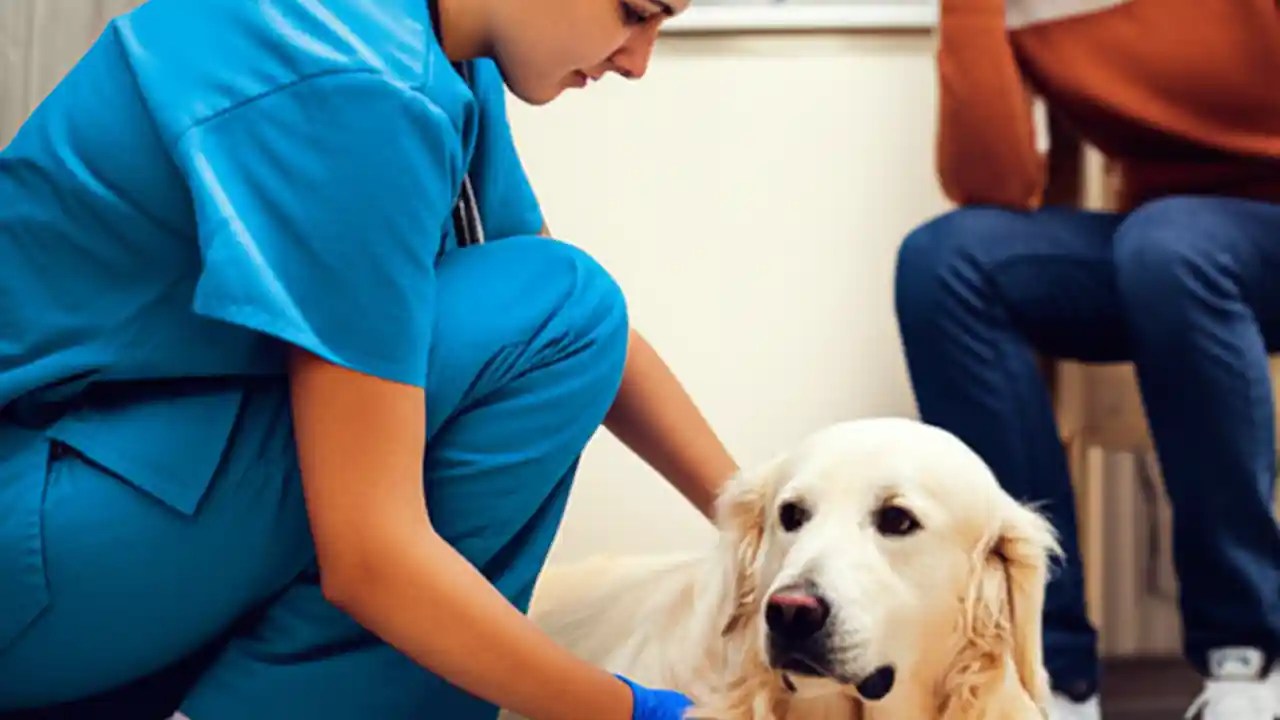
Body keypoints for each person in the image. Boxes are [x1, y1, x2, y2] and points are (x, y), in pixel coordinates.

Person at [0, 0, 740, 718]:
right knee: (561, 313)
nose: (639, 61)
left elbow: (572, 327)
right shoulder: (360, 81)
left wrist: (754, 516)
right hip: (32, 554)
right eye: (635, 11)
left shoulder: (428, 46)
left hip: (75, 511)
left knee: (557, 308)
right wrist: (636, 714)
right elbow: (372, 554)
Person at [892, 1, 1280, 718]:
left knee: (1170, 241)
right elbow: (995, 186)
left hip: (1202, 243)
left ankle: (1250, 655)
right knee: (943, 261)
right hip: (1165, 259)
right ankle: (1043, 670)